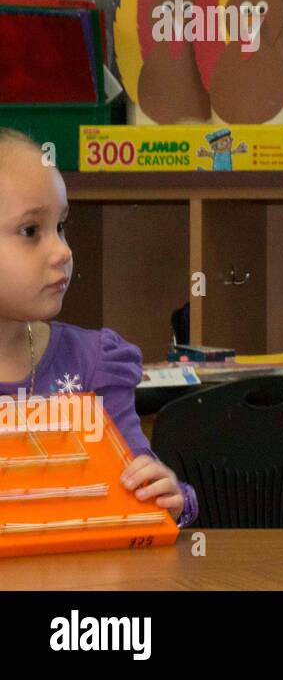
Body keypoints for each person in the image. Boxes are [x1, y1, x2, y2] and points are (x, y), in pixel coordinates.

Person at [0, 128, 198, 527]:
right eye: (30, 231)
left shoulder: (92, 364)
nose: (63, 251)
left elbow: (147, 489)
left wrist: (170, 499)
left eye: (61, 226)